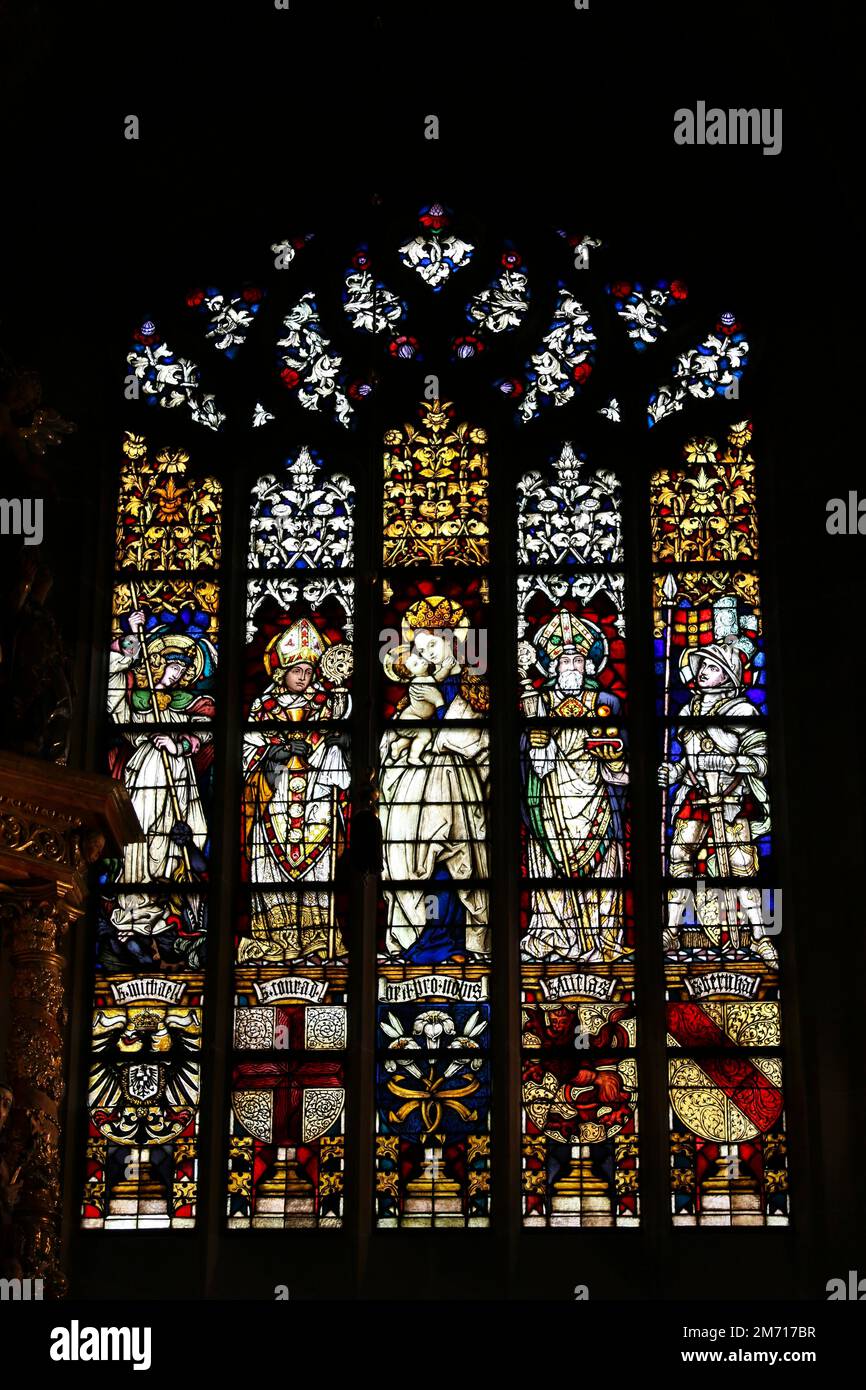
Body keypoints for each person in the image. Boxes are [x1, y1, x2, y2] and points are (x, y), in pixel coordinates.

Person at [379, 599, 490, 957]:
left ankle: (454, 939)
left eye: (433, 644)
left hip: (457, 784)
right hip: (414, 788)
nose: (425, 652)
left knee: (458, 861)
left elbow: (480, 739)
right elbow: (396, 735)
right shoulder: (417, 684)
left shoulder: (470, 683)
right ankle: (421, 938)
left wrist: (441, 704)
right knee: (410, 858)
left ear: (453, 642)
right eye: (419, 646)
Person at [657, 639, 775, 964]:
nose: (702, 672)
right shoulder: (687, 712)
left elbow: (762, 762)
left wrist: (728, 763)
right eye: (701, 666)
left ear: (727, 675)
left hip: (731, 799)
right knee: (679, 857)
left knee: (742, 868)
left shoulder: (742, 711)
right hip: (695, 797)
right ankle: (671, 930)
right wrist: (675, 771)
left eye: (710, 667)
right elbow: (690, 761)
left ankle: (760, 936)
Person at [519, 611, 628, 962]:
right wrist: (535, 743)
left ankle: (602, 938)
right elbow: (521, 760)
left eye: (577, 658)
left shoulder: (608, 704)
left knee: (604, 864)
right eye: (564, 659)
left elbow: (624, 759)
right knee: (547, 869)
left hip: (596, 798)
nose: (570, 664)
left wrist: (613, 759)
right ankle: (553, 935)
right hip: (549, 802)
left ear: (589, 664)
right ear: (552, 665)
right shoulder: (536, 704)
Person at [241, 618, 351, 962]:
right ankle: (275, 938)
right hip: (275, 801)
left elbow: (344, 757)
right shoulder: (263, 709)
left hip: (317, 799)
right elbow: (246, 752)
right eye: (296, 670)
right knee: (269, 863)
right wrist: (279, 752)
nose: (303, 676)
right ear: (281, 671)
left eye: (308, 670)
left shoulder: (327, 706)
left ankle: (318, 936)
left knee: (319, 863)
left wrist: (340, 740)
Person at [107, 610, 214, 883]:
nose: (178, 675)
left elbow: (208, 724)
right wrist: (131, 637)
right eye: (174, 667)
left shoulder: (181, 706)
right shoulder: (135, 697)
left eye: (182, 671)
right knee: (142, 826)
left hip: (178, 777)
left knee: (171, 832)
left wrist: (180, 744)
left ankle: (168, 887)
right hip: (144, 774)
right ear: (159, 664)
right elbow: (108, 679)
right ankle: (135, 891)